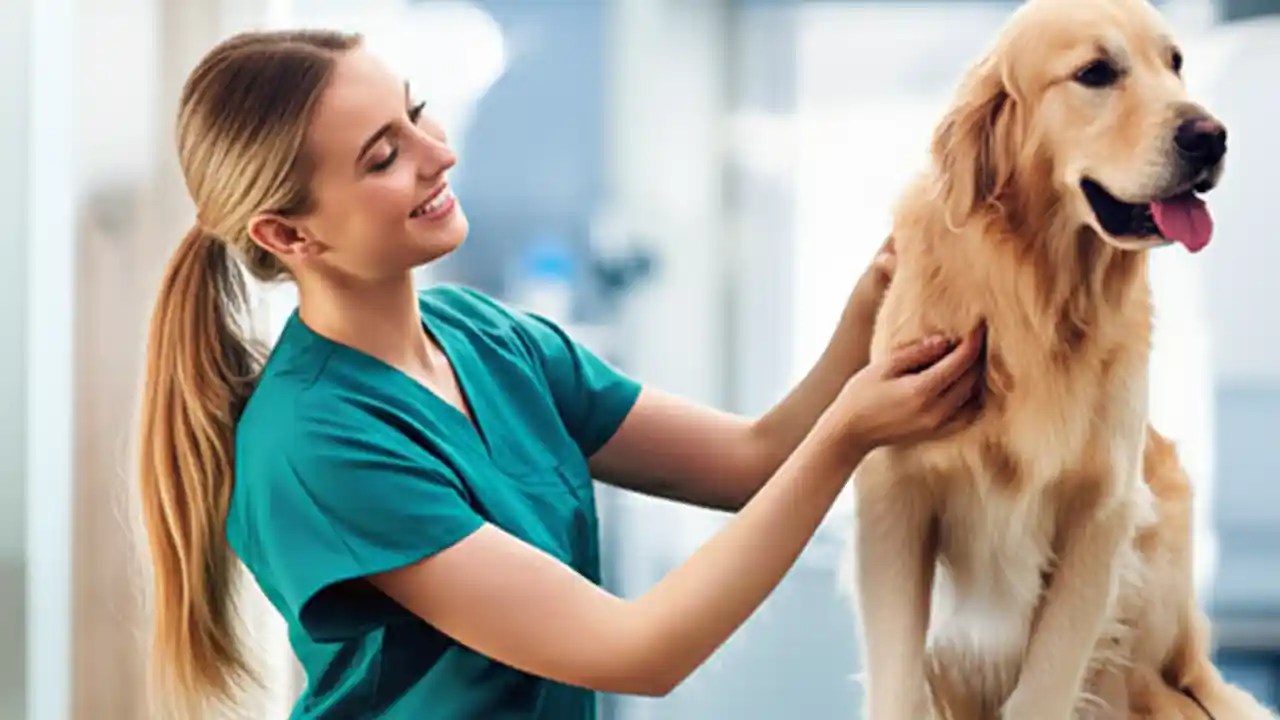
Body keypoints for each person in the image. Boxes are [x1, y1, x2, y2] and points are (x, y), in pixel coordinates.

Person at [136, 29, 986, 720]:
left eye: (418, 115)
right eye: (383, 156)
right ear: (289, 236)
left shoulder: (485, 337)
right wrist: (850, 434)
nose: (441, 155)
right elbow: (637, 652)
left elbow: (753, 463)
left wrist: (865, 318)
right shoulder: (317, 448)